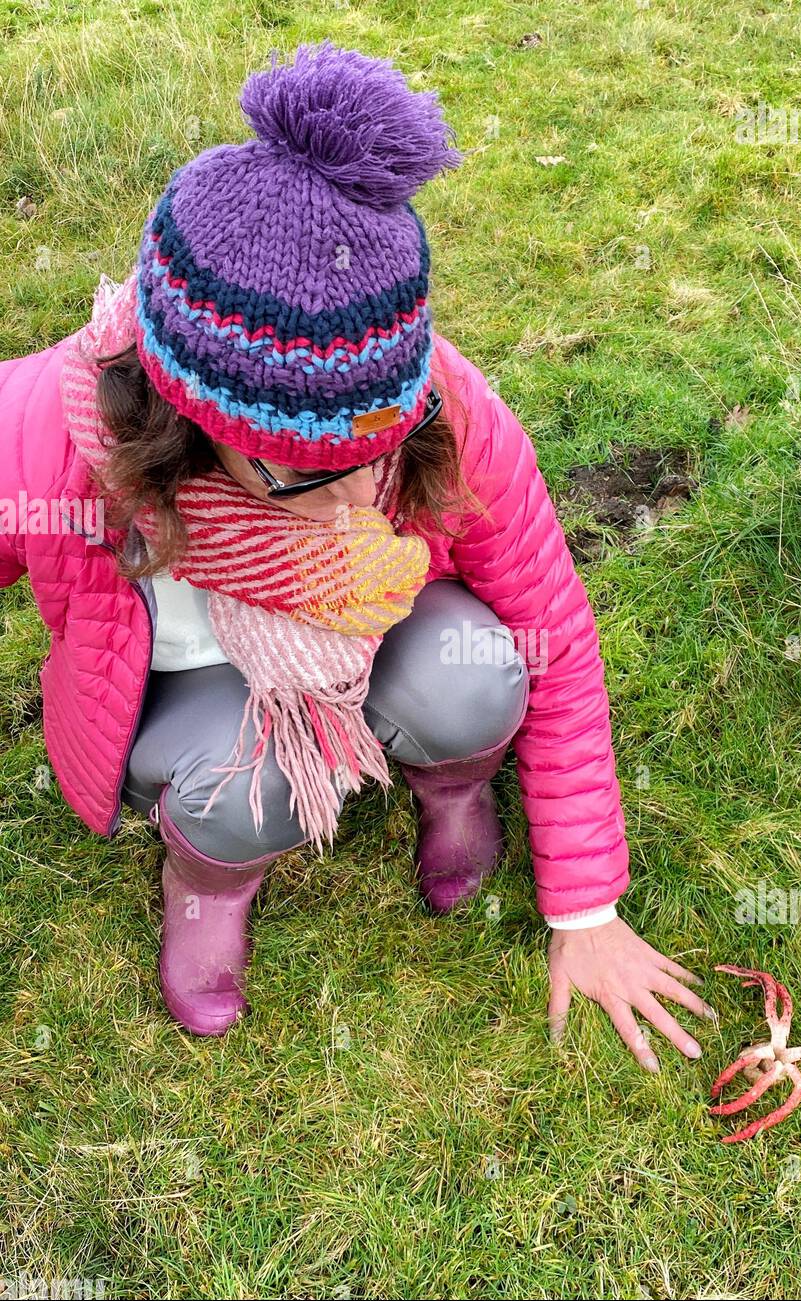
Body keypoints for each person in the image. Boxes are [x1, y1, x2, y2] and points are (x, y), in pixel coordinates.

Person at [0, 40, 713, 1061]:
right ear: (182, 420)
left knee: (478, 677)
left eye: (369, 456)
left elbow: (552, 626)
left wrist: (586, 908)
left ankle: (453, 789)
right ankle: (209, 883)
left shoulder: (444, 410)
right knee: (254, 781)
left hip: (375, 644)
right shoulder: (50, 429)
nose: (347, 499)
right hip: (185, 699)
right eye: (293, 472)